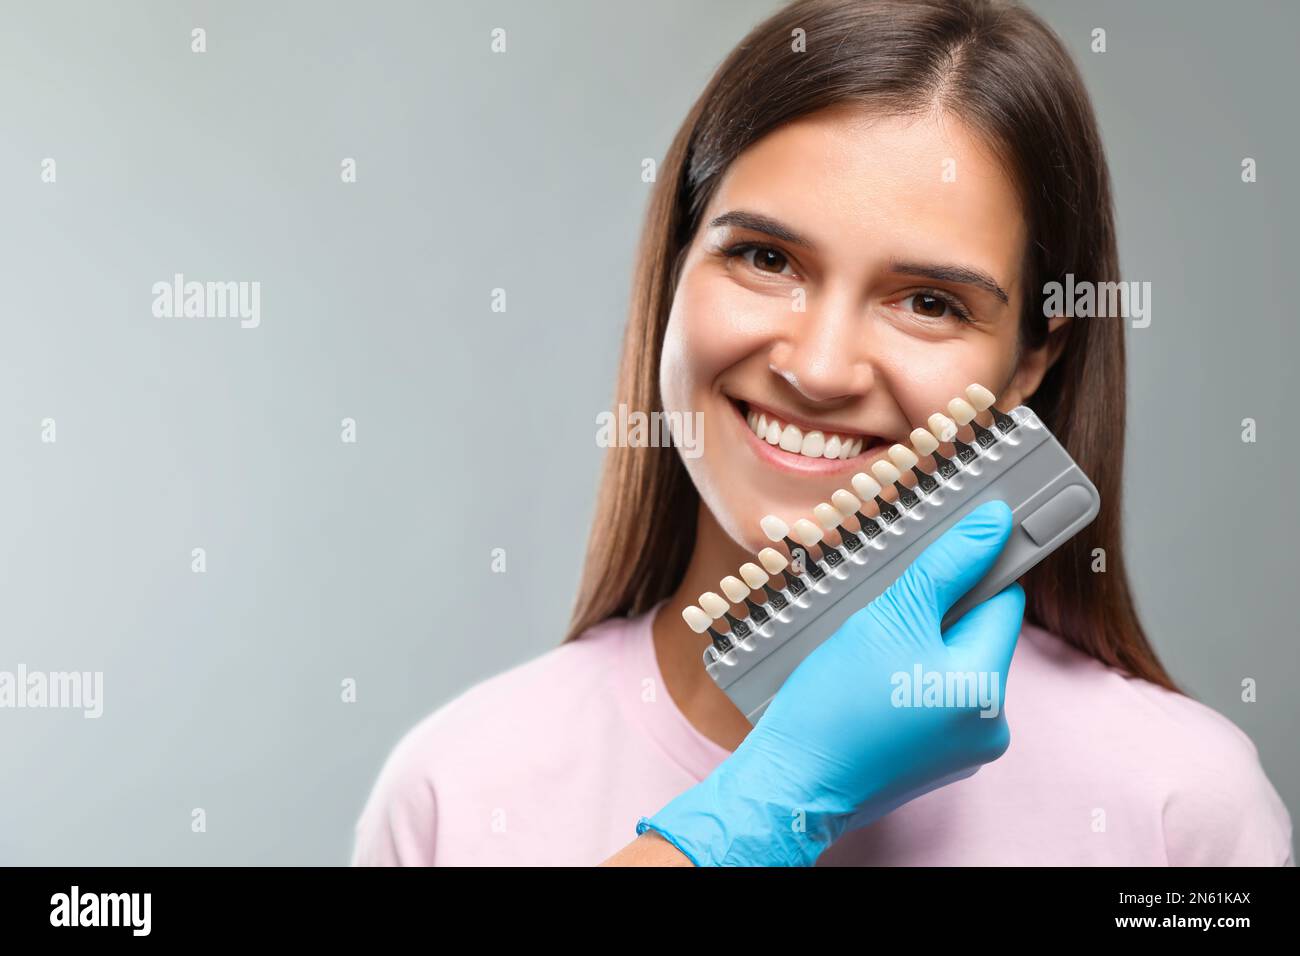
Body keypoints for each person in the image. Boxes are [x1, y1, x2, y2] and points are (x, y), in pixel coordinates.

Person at [352, 0, 1293, 866]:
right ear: (673, 270)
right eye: (766, 258)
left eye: (929, 301)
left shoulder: (1181, 812)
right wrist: (769, 807)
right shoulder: (457, 794)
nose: (819, 368)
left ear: (1031, 362)